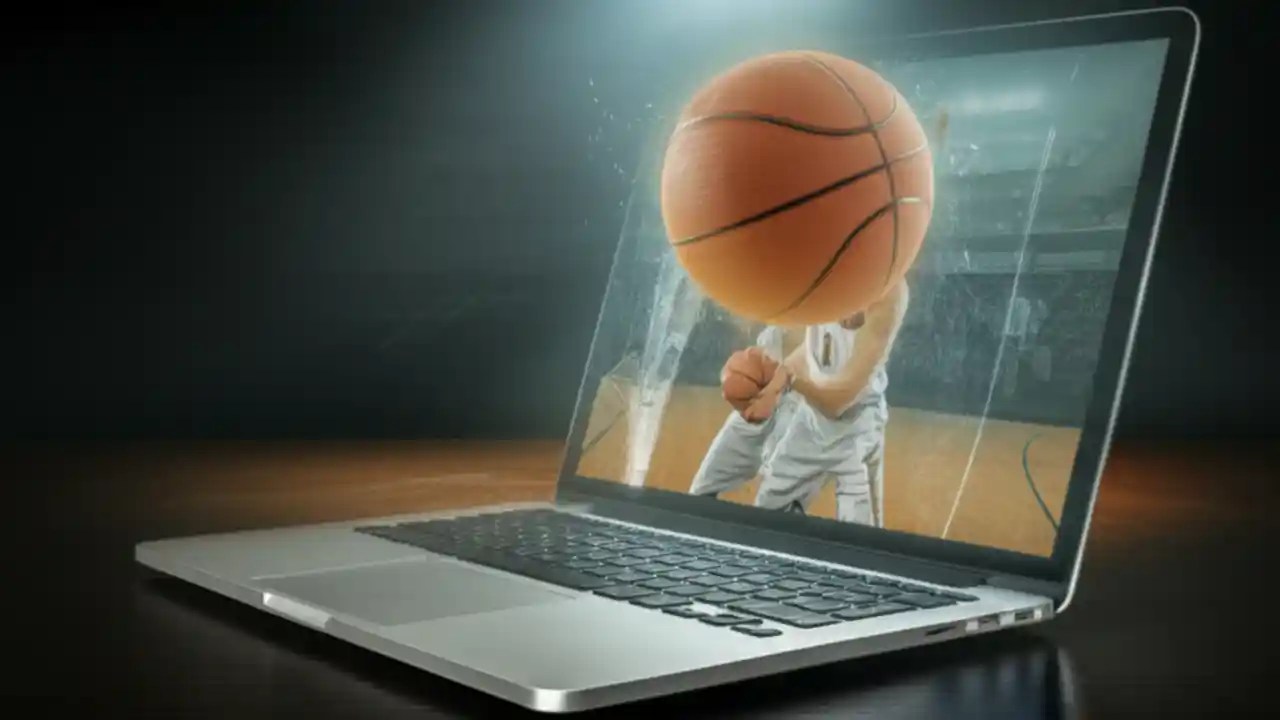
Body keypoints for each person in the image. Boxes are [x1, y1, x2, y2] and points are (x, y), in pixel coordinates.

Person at [749, 280, 910, 526]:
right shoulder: (823, 271)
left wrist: (787, 379)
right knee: (765, 515)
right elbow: (812, 350)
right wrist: (770, 380)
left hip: (858, 425)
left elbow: (839, 402)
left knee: (861, 542)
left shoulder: (888, 290)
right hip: (812, 419)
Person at [686, 324, 797, 500]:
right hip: (759, 400)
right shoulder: (775, 324)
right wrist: (743, 376)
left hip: (803, 408)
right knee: (701, 489)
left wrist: (775, 385)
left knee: (775, 497)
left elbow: (803, 365)